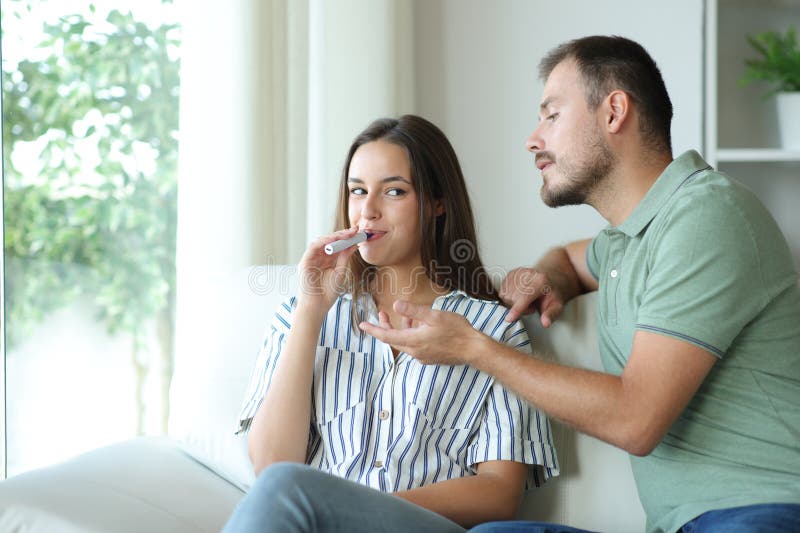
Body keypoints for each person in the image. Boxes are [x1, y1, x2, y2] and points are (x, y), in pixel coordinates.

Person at [360, 36, 800, 533]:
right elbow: (572, 258)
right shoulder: (628, 241)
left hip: (763, 513)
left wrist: (473, 348)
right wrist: (550, 274)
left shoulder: (707, 215)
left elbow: (637, 420)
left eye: (551, 115)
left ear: (614, 112)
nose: (533, 139)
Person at [222, 115, 560, 533]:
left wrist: (354, 511)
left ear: (437, 202)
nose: (368, 211)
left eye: (394, 191)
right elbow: (272, 467)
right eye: (358, 191)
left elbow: (499, 492)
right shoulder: (301, 314)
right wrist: (311, 311)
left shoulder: (492, 329)